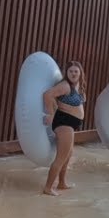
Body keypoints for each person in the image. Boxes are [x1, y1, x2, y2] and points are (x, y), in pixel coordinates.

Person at [42, 61, 87, 196]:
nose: (73, 74)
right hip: (64, 122)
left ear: (80, 73)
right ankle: (48, 188)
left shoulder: (79, 86)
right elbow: (47, 95)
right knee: (61, 157)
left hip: (71, 124)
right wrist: (50, 113)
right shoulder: (65, 86)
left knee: (68, 155)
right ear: (66, 73)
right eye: (70, 71)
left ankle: (62, 183)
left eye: (76, 71)